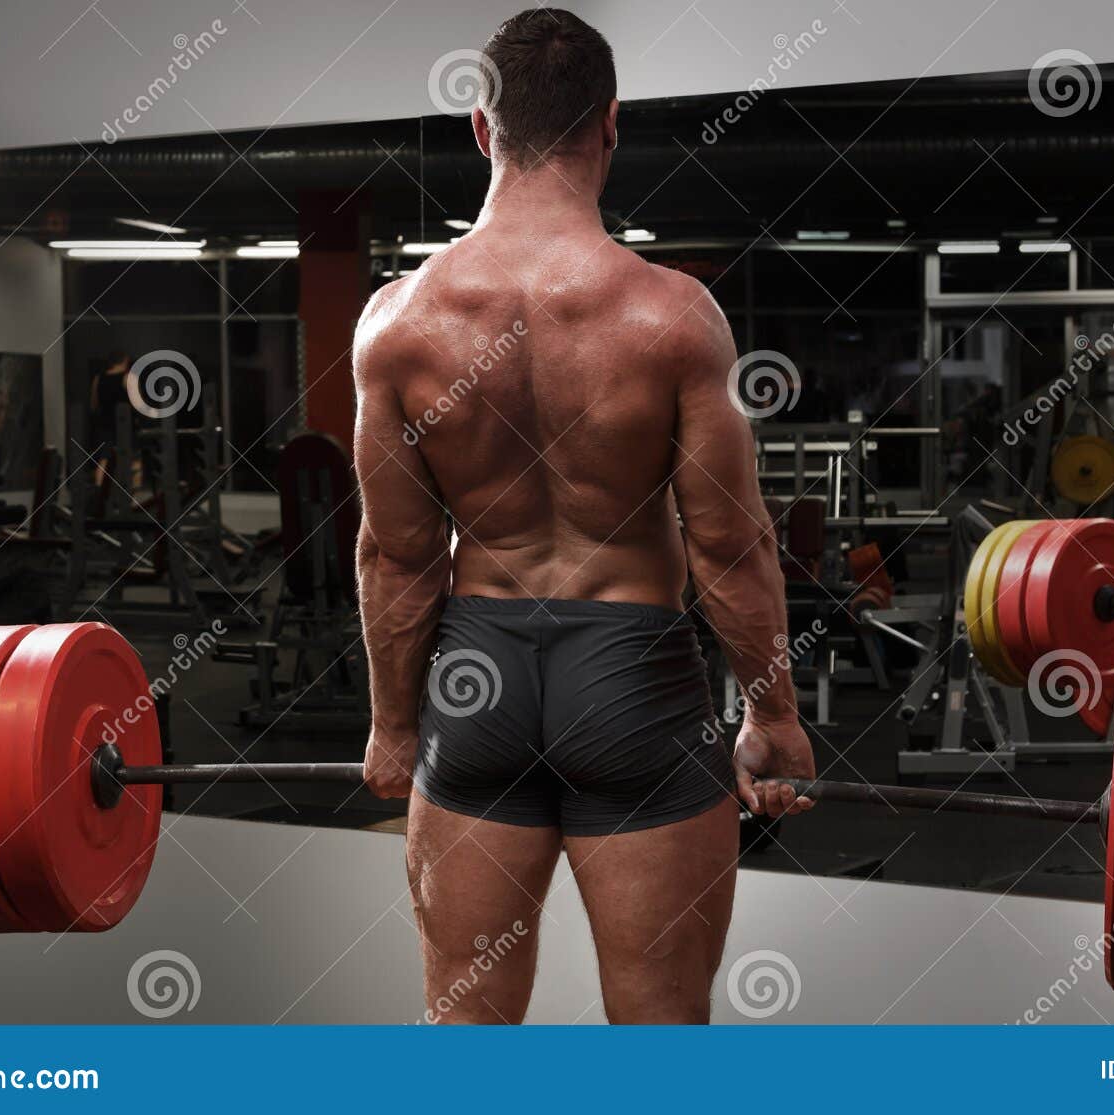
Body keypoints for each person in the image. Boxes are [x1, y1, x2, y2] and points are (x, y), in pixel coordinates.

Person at [351, 8, 815, 1024]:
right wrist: (770, 717)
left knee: (467, 1031)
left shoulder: (395, 324)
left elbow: (396, 554)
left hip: (477, 680)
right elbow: (732, 546)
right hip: (635, 681)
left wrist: (393, 724)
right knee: (657, 1031)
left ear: (482, 128)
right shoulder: (673, 316)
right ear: (609, 125)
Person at [89, 350, 132, 486]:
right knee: (133, 459)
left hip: (105, 423)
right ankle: (133, 499)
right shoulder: (127, 378)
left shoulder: (98, 378)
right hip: (124, 424)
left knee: (104, 459)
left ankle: (99, 495)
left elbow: (94, 404)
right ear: (125, 361)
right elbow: (138, 405)